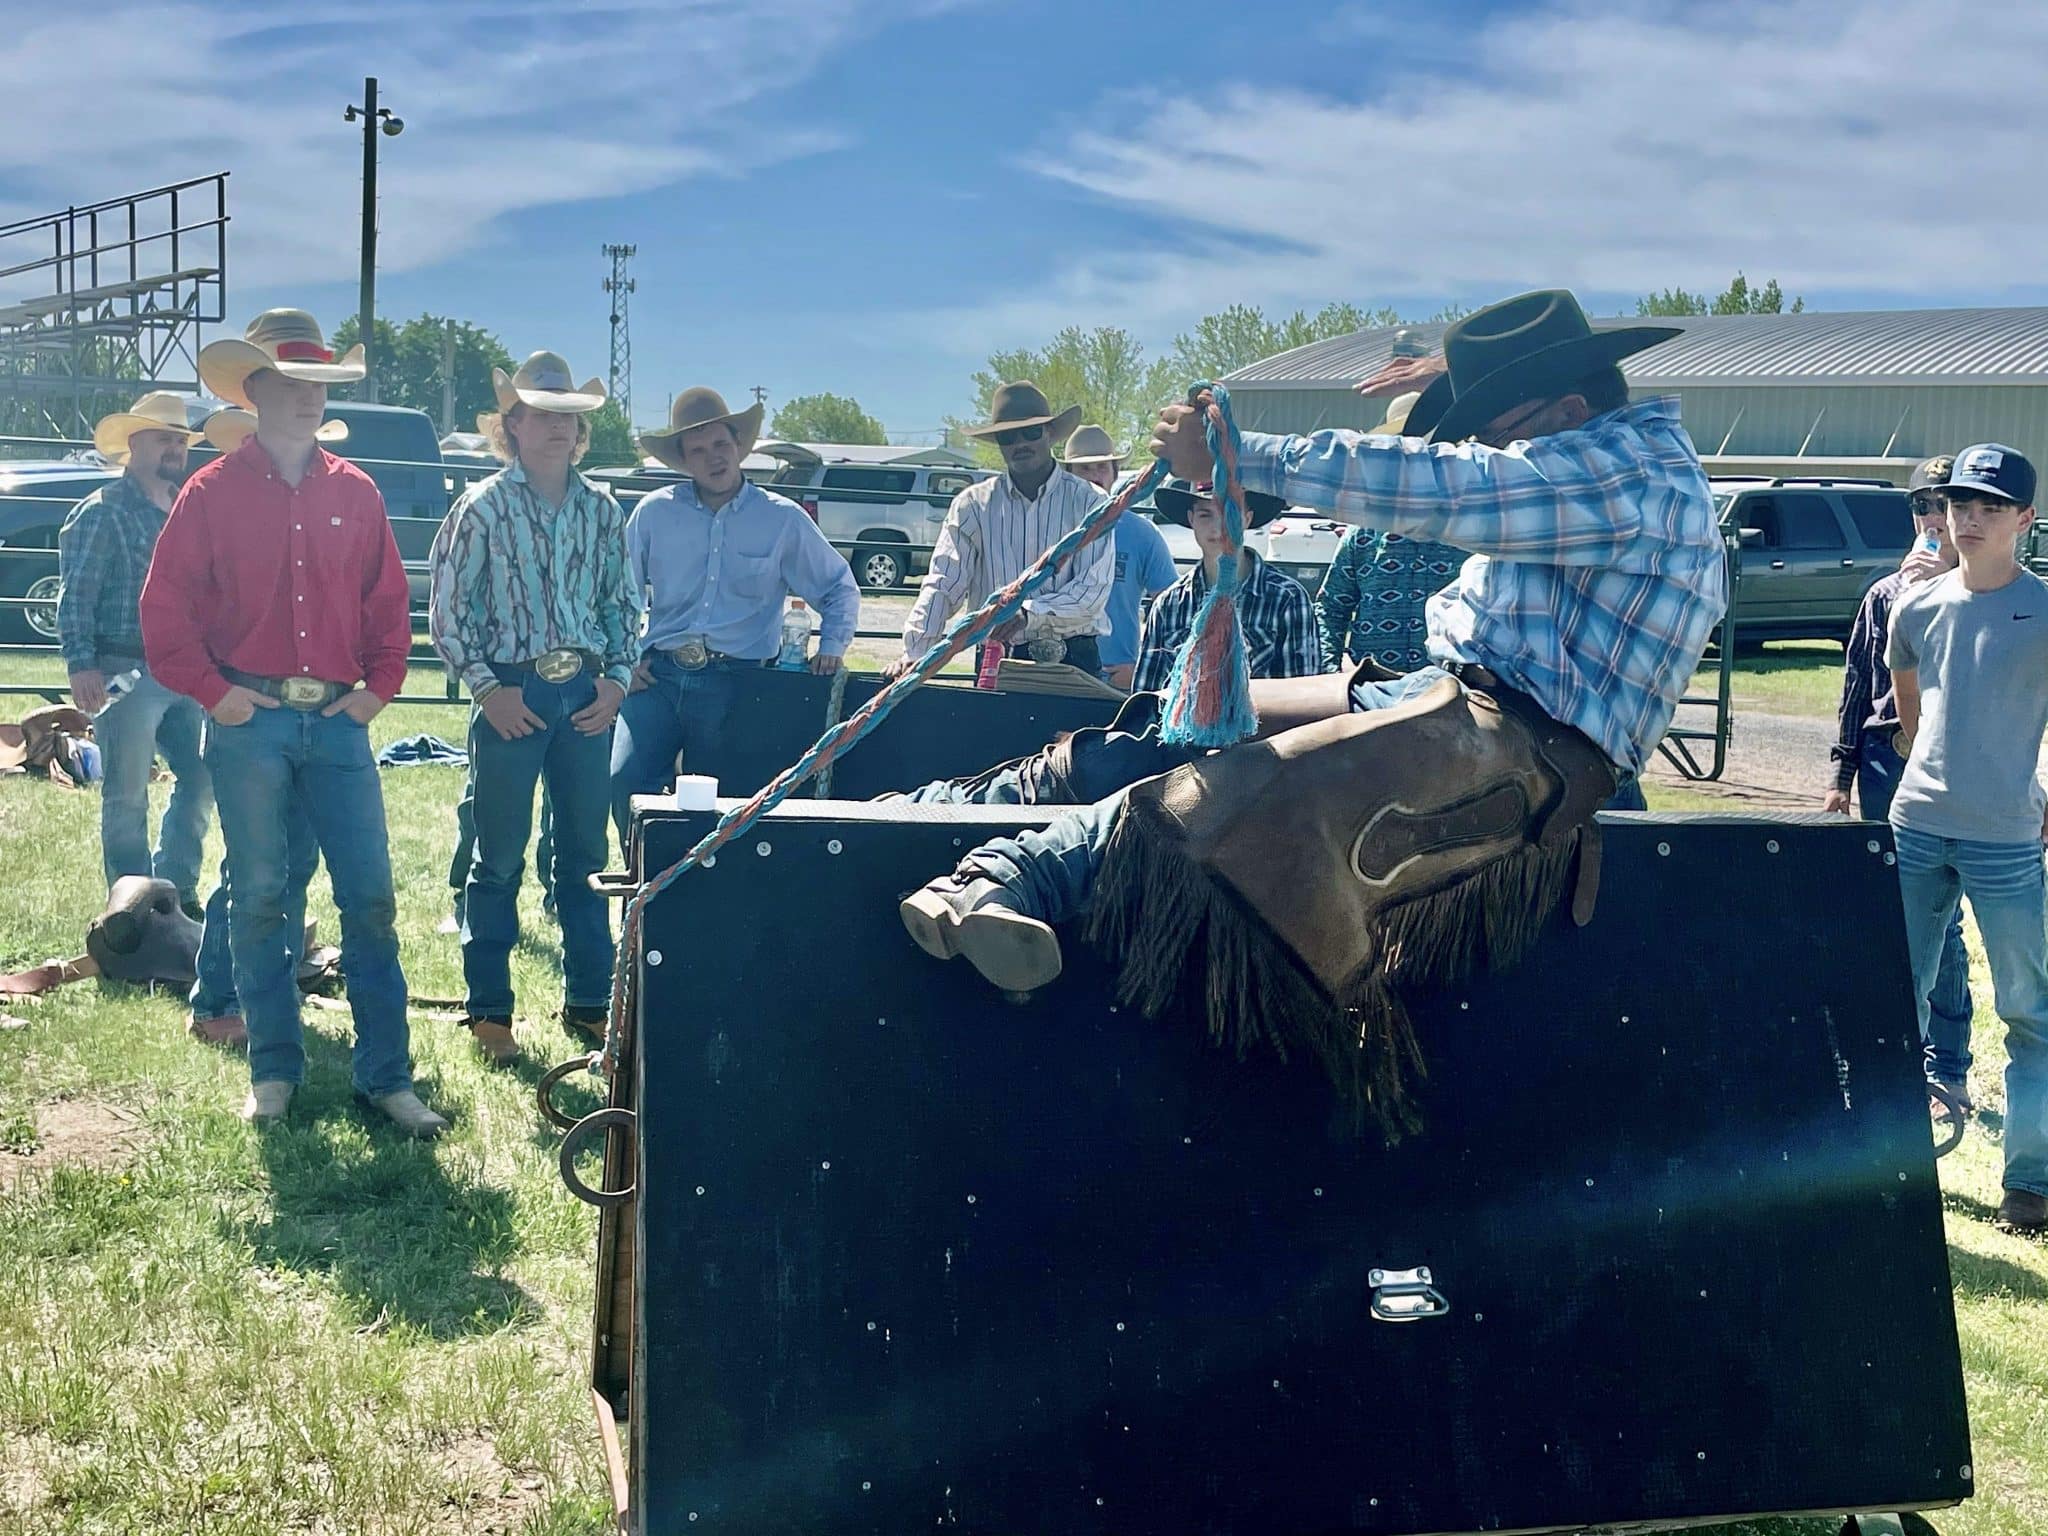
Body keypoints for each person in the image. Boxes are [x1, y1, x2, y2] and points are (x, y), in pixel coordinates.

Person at [897, 291, 1723, 1135]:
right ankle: (929, 811)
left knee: (1231, 780)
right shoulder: (1614, 462)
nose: (1488, 447)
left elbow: (1452, 488)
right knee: (1184, 726)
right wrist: (1452, 374)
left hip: (1512, 741)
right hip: (1453, 703)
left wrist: (1233, 456)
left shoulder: (1621, 479)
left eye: (1499, 428)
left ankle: (1018, 872)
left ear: (1570, 409)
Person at [139, 308, 445, 1137]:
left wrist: (379, 690)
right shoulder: (209, 494)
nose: (308, 397)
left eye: (321, 385)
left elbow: (389, 606)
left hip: (338, 720)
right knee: (262, 895)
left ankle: (386, 1077)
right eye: (294, 382)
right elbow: (164, 613)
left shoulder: (357, 490)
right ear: (258, 389)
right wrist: (219, 693)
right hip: (250, 719)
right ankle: (274, 1071)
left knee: (370, 897)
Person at [429, 352, 639, 1062]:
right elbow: (449, 611)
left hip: (584, 695)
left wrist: (616, 682)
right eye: (542, 414)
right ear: (510, 424)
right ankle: (490, 1009)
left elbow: (621, 605)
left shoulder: (604, 509)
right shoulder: (481, 506)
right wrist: (488, 690)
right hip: (512, 694)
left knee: (584, 854)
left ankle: (588, 1001)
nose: (558, 428)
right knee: (498, 856)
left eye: (570, 417)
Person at [1885, 443, 2048, 1235]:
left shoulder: (2045, 612)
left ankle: (2030, 1183)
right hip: (1915, 830)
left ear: (2025, 518)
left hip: (2009, 844)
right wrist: (1926, 771)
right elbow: (1907, 701)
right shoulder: (1913, 605)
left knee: (2029, 1015)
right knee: (1890, 1002)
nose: (1969, 519)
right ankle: (1887, 1161)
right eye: (1958, 505)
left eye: (1989, 507)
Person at [612, 387, 858, 840]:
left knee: (722, 805)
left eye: (721, 444)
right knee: (624, 780)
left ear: (739, 446)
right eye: (698, 450)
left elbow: (838, 586)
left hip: (738, 682)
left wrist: (832, 644)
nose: (714, 458)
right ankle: (645, 888)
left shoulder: (782, 519)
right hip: (658, 677)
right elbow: (617, 595)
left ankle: (698, 892)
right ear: (684, 460)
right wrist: (622, 659)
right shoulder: (652, 514)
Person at [1823, 455, 1973, 1097]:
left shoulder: (1982, 593)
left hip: (1953, 763)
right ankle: (1891, 1057)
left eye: (1944, 507)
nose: (1933, 520)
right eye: (1922, 508)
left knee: (1944, 913)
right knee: (1886, 906)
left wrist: (1938, 593)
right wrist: (1841, 773)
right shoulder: (1883, 594)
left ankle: (1950, 1064)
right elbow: (1859, 682)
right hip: (1888, 758)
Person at [57, 391, 213, 915]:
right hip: (125, 665)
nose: (174, 448)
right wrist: (82, 664)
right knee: (127, 793)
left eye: (179, 439)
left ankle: (173, 887)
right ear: (133, 444)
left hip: (184, 667)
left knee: (200, 777)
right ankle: (131, 905)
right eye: (163, 438)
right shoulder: (102, 513)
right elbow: (76, 594)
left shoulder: (184, 509)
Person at [887, 382, 1113, 679]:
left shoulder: (1091, 502)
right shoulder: (972, 505)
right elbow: (943, 583)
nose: (1020, 443)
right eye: (1008, 436)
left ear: (1049, 434)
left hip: (1073, 654)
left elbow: (1091, 592)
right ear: (999, 442)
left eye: (1030, 432)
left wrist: (1026, 614)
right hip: (998, 654)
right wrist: (916, 652)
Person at [1313, 389, 1470, 675]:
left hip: (1453, 695)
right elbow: (1331, 608)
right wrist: (1331, 674)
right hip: (1374, 692)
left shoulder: (1470, 531)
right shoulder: (1364, 533)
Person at [1132, 481, 1322, 692]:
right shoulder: (1169, 605)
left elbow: (1303, 697)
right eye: (1205, 515)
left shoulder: (1287, 600)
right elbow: (1146, 698)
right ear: (1191, 519)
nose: (1217, 527)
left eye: (1229, 513)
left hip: (1266, 723)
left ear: (1247, 519)